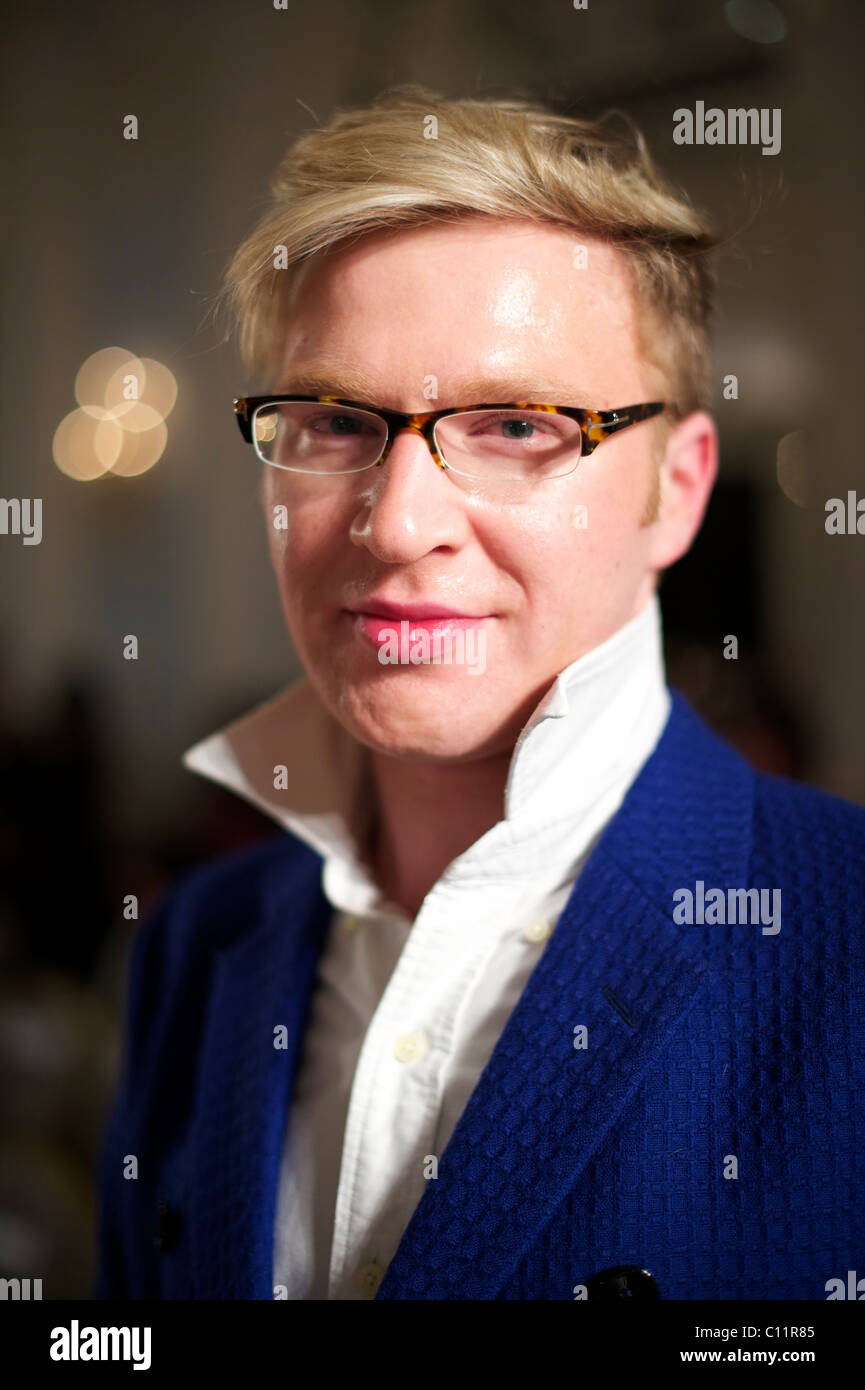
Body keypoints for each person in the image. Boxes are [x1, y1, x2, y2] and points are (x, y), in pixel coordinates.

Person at [94, 85, 864, 1301]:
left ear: (675, 487)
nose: (397, 523)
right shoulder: (199, 940)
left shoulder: (843, 933)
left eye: (516, 424)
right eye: (337, 418)